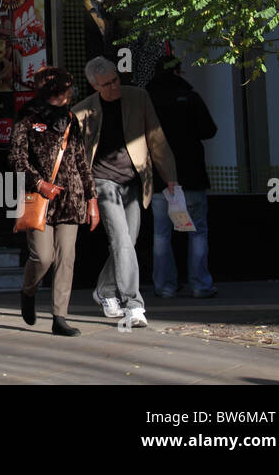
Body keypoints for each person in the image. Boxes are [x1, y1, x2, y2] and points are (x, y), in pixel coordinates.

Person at [72, 55, 178, 328]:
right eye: (107, 84)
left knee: (128, 242)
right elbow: (74, 156)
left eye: (116, 79)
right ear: (95, 86)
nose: (114, 86)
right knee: (120, 239)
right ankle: (133, 304)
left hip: (134, 182)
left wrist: (171, 178)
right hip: (102, 182)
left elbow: (157, 139)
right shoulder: (82, 112)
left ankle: (105, 290)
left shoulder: (138, 97)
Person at [10, 67, 99, 337]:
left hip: (71, 198)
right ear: (55, 91)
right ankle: (28, 290)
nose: (72, 92)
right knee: (43, 257)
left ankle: (60, 316)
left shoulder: (71, 118)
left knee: (67, 257)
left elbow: (82, 160)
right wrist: (39, 183)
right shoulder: (28, 117)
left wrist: (92, 198)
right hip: (39, 197)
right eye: (68, 87)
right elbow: (16, 158)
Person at [146, 57, 219, 298]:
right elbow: (209, 130)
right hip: (191, 175)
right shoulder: (190, 97)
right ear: (177, 71)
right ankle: (200, 284)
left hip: (160, 178)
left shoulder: (149, 99)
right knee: (197, 231)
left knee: (161, 234)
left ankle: (165, 286)